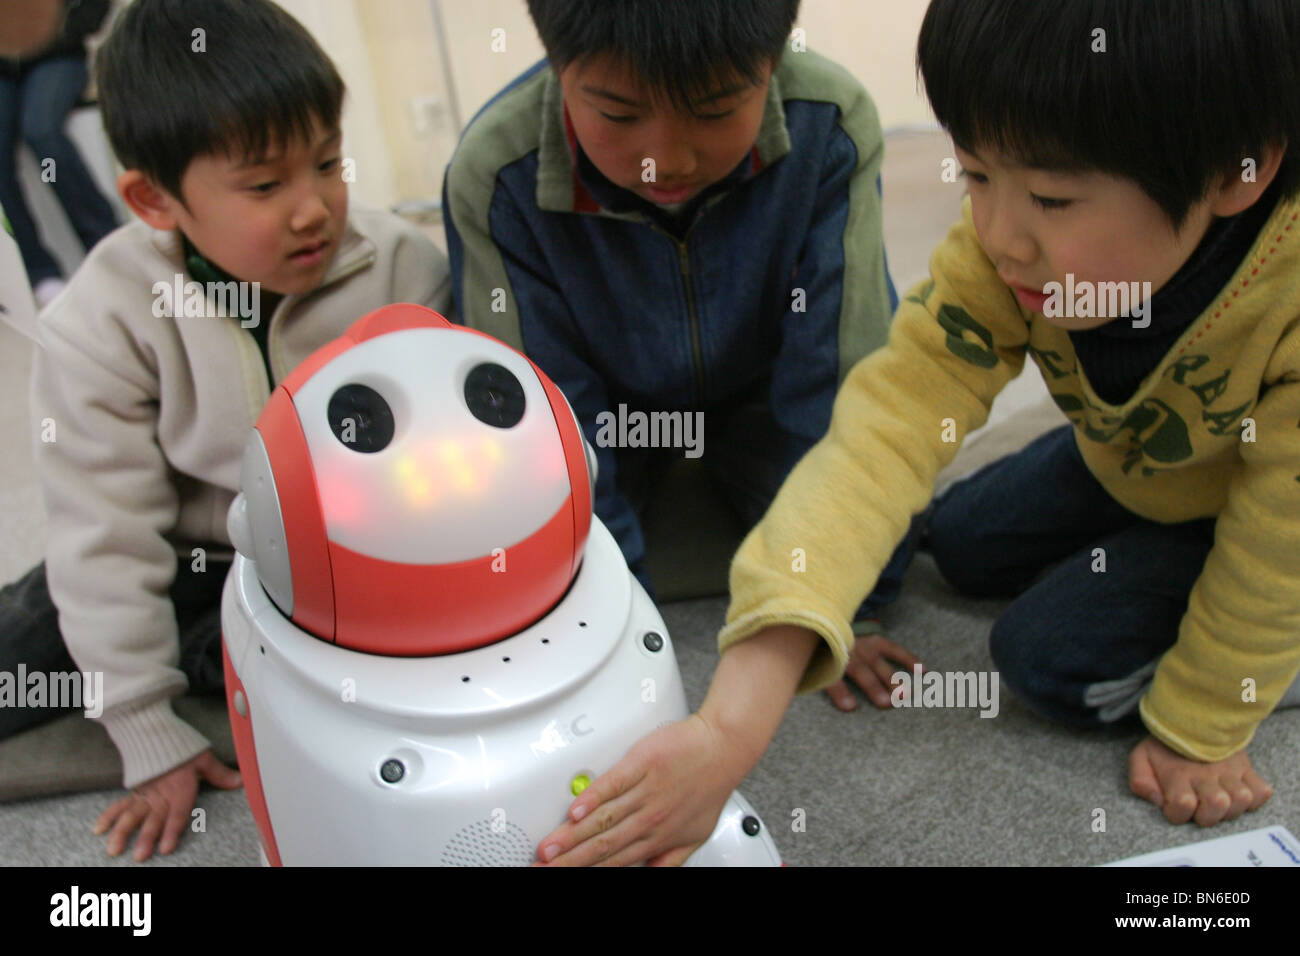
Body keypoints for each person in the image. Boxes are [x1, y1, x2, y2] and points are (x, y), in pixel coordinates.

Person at [535, 0, 1300, 865]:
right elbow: (881, 435)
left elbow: (1279, 544)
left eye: (1051, 197)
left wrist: (1206, 724)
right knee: (957, 537)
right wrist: (726, 728)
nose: (1003, 239)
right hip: (1134, 455)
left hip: (1261, 510)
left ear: (1239, 171)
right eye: (975, 176)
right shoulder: (1002, 254)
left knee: (1046, 659)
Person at [0, 0, 450, 862]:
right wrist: (142, 726)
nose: (313, 207)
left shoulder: (402, 266)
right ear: (153, 199)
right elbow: (105, 531)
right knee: (49, 627)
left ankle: (239, 659)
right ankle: (208, 659)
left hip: (344, 550)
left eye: (328, 162)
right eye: (264, 185)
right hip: (183, 556)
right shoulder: (104, 317)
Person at [442, 0, 916, 634]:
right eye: (618, 114)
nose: (665, 160)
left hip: (760, 403)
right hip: (613, 421)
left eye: (716, 111)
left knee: (894, 537)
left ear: (772, 65)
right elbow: (543, 426)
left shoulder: (828, 121)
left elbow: (838, 370)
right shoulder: (497, 172)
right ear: (556, 66)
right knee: (514, 556)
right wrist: (615, 620)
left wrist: (837, 601)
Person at [0, 0, 119, 307]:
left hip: (57, 56)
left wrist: (59, 30)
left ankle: (105, 243)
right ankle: (39, 272)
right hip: (4, 70)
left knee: (42, 131)